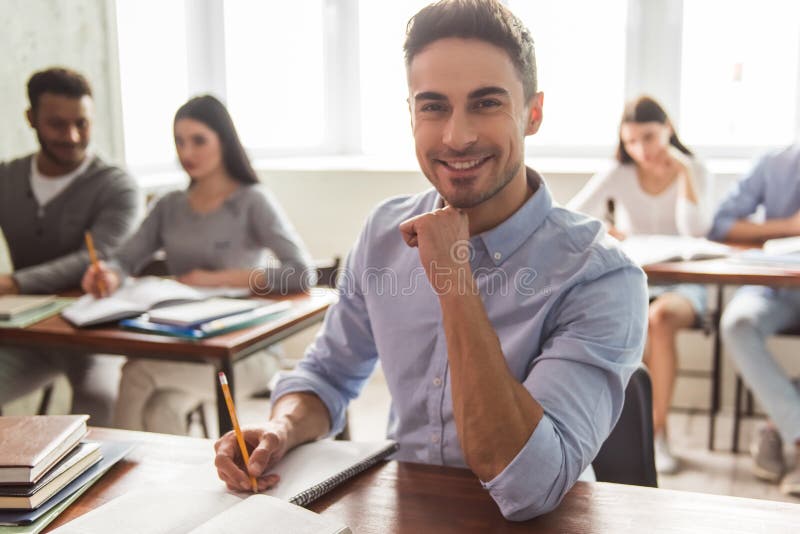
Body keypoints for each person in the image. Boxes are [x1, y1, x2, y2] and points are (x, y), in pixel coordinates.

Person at [214, 0, 648, 521]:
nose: (456, 137)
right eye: (434, 107)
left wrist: (453, 278)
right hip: (408, 513)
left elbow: (528, 486)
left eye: (486, 103)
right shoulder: (384, 231)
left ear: (532, 113)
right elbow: (328, 373)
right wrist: (281, 428)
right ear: (411, 114)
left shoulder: (602, 275)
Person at [82, 95, 315, 435]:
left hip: (245, 352)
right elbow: (125, 259)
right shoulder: (169, 204)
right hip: (185, 347)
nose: (186, 152)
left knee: (136, 372)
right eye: (179, 141)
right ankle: (166, 473)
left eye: (198, 140)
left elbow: (302, 273)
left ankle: (115, 467)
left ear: (224, 140)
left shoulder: (252, 200)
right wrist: (109, 274)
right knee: (163, 408)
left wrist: (217, 278)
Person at [568, 95, 712, 474]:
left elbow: (696, 230)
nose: (641, 149)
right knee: (621, 319)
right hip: (637, 277)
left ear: (667, 129)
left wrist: (684, 173)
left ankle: (655, 435)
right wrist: (608, 229)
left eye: (648, 137)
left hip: (685, 283)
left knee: (658, 319)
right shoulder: (619, 171)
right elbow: (571, 215)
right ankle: (616, 433)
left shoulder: (694, 168)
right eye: (631, 141)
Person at [0, 67, 140, 423]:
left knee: (99, 405)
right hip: (28, 337)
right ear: (31, 119)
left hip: (95, 336)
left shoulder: (116, 185)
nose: (73, 136)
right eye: (57, 124)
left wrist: (14, 283)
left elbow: (98, 256)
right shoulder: (7, 178)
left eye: (82, 123)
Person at [709, 143, 800, 496]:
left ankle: (774, 427)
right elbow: (720, 225)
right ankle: (795, 433)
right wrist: (788, 226)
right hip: (772, 286)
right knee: (737, 324)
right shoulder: (775, 162)